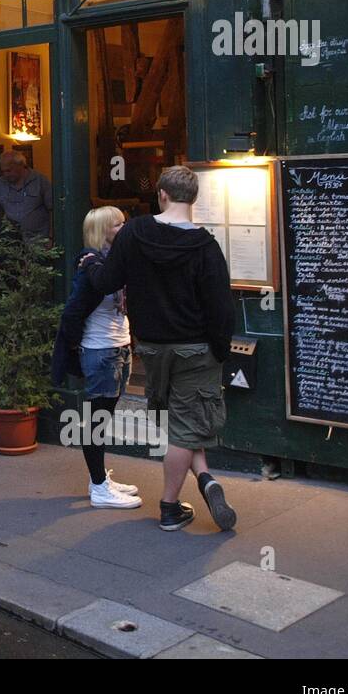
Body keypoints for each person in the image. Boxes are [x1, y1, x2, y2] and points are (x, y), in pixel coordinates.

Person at [81, 165, 237, 532]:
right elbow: (221, 308)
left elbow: (105, 281)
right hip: (195, 348)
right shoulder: (205, 245)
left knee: (177, 421)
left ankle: (205, 478)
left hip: (151, 347)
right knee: (188, 424)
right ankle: (169, 507)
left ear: (161, 194)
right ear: (193, 199)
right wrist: (220, 350)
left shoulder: (134, 232)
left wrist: (89, 264)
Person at [52, 207, 141, 510]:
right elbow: (73, 312)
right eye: (119, 224)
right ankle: (100, 488)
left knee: (104, 418)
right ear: (103, 231)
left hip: (120, 347)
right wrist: (75, 349)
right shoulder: (89, 265)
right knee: (96, 421)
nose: (125, 228)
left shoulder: (117, 262)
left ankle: (98, 478)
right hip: (100, 350)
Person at [0, 150, 54, 242]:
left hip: (39, 241)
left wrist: (51, 237)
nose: (6, 174)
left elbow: (53, 210)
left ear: (21, 165)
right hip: (11, 242)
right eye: (3, 171)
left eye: (8, 170)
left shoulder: (40, 181)